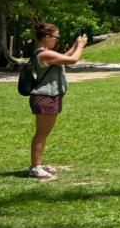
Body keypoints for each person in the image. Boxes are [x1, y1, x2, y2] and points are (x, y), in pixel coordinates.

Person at [27, 23, 88, 180]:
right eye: (56, 37)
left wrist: (75, 45)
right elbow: (73, 60)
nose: (57, 40)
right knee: (41, 134)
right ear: (47, 37)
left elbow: (65, 58)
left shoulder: (46, 53)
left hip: (50, 97)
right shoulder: (45, 54)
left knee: (44, 133)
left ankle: (38, 164)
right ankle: (35, 167)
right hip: (45, 97)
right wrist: (81, 46)